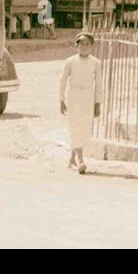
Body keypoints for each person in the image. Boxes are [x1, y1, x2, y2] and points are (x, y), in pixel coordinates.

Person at [59, 32, 103, 173]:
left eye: (87, 44)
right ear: (76, 45)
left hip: (87, 97)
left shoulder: (96, 63)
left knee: (83, 128)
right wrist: (61, 99)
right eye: (81, 44)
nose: (84, 47)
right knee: (74, 126)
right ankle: (81, 161)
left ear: (91, 46)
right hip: (73, 96)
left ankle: (72, 159)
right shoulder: (70, 61)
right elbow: (62, 81)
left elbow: (99, 85)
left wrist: (98, 104)